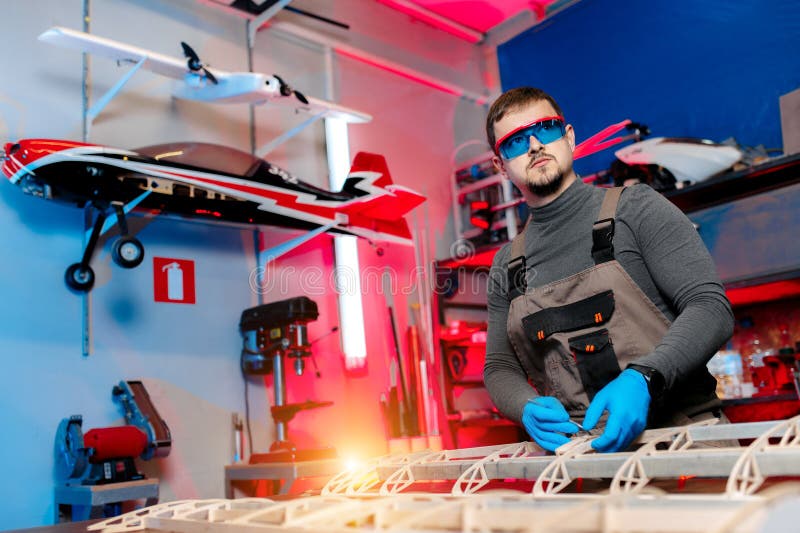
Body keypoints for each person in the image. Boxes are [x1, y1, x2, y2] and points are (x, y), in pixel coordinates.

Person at [483, 87, 734, 453]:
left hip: (687, 448)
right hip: (584, 462)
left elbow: (710, 307)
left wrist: (645, 377)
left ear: (569, 138)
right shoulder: (506, 266)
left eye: (546, 129)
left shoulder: (637, 209)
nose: (535, 145)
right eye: (516, 141)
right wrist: (524, 406)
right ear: (500, 165)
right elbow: (499, 367)